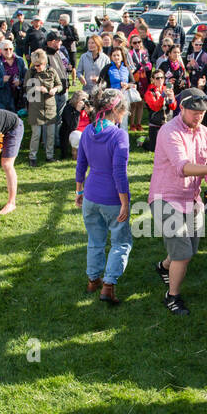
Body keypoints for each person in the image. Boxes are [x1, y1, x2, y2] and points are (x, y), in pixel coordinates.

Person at [147, 87, 207, 316]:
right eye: (194, 112)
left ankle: (164, 267)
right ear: (182, 108)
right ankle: (173, 296)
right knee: (183, 253)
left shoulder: (206, 132)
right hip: (165, 198)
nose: (199, 117)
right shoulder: (169, 132)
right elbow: (183, 167)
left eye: (203, 113)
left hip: (192, 199)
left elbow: (205, 167)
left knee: (188, 250)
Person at [75, 90, 133, 305]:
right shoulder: (119, 135)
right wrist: (125, 202)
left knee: (95, 240)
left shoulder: (88, 130)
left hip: (90, 195)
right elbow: (120, 172)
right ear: (118, 111)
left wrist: (79, 191)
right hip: (112, 198)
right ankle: (108, 285)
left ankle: (93, 280)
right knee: (121, 242)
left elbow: (81, 163)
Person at [25, 48, 63, 166]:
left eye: (39, 65)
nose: (37, 67)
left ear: (45, 63)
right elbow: (26, 88)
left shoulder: (52, 71)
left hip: (50, 105)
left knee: (50, 133)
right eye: (35, 65)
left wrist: (55, 89)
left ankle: (49, 156)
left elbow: (60, 85)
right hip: (35, 106)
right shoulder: (30, 72)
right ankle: (32, 156)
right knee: (36, 134)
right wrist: (37, 88)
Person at [142, 68, 176, 154]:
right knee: (154, 149)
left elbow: (173, 107)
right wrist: (163, 96)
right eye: (157, 78)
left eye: (162, 77)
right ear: (152, 80)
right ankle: (143, 141)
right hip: (156, 124)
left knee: (169, 147)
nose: (160, 80)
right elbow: (155, 107)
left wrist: (171, 98)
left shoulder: (167, 89)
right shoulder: (149, 92)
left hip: (168, 123)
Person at [0, 40, 26, 114]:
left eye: (10, 49)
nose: (8, 51)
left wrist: (20, 81)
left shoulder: (20, 60)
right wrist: (2, 80)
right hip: (4, 97)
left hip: (19, 95)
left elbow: (27, 76)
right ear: (1, 50)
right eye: (5, 49)